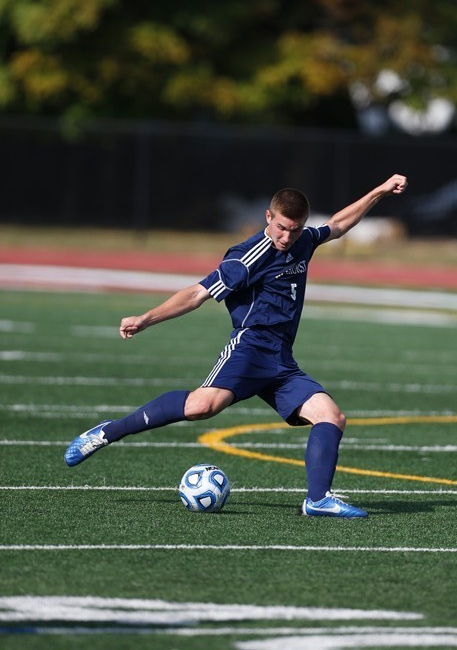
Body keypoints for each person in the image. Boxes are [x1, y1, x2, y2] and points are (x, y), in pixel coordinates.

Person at [65, 174, 408, 519]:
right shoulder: (247, 256)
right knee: (203, 406)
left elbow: (336, 225)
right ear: (268, 217)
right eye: (282, 228)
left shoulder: (303, 240)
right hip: (250, 348)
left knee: (331, 417)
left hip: (281, 359)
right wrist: (146, 318)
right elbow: (197, 293)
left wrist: (379, 191)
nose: (287, 237)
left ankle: (317, 499)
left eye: (296, 229)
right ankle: (107, 431)